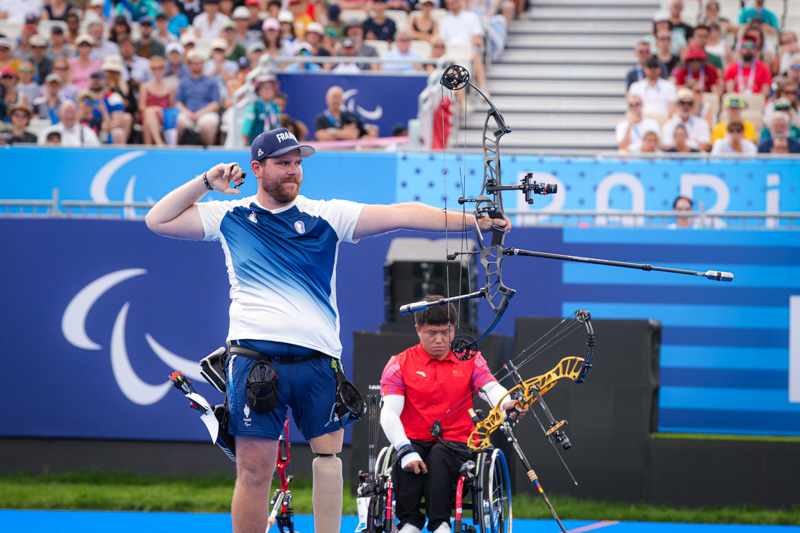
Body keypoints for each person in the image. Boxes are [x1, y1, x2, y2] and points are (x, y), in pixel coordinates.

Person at [143, 126, 511, 533]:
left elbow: (403, 212)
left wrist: (474, 223)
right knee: (253, 470)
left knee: (328, 458)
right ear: (257, 168)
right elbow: (157, 219)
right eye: (283, 163)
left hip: (318, 362)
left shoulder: (326, 215)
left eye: (298, 163)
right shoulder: (230, 216)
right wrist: (206, 183)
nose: (293, 171)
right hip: (254, 361)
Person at [379, 296, 526, 533]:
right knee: (403, 455)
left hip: (456, 444)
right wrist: (405, 450)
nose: (439, 339)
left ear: (454, 329)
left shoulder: (471, 359)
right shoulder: (399, 363)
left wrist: (506, 403)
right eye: (431, 333)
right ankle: (409, 524)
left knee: (439, 455)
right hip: (414, 440)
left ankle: (441, 524)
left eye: (445, 332)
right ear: (418, 330)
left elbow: (491, 388)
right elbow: (389, 413)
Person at [175, 49, 221, 145]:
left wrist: (200, 113)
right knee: (179, 121)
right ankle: (177, 150)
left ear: (203, 64)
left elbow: (216, 103)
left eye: (198, 62)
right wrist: (187, 113)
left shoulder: (211, 82)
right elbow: (178, 102)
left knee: (207, 124)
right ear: (189, 65)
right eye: (193, 63)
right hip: (188, 113)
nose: (196, 65)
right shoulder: (183, 82)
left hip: (205, 113)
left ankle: (208, 151)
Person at [313, 85, 378, 141]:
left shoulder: (351, 116)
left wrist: (331, 132)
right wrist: (344, 133)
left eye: (338, 97)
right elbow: (321, 137)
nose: (336, 100)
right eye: (333, 97)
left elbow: (353, 135)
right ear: (327, 99)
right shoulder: (320, 118)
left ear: (343, 100)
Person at [139, 55, 176, 145]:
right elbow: (141, 106)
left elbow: (171, 107)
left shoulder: (170, 88)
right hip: (148, 114)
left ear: (164, 69)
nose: (157, 70)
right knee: (149, 114)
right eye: (154, 68)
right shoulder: (144, 86)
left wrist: (161, 111)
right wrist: (154, 109)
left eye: (160, 67)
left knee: (147, 120)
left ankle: (149, 147)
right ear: (151, 70)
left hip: (163, 117)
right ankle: (159, 143)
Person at [661, 88, 711, 152]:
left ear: (693, 106)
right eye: (683, 103)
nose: (686, 106)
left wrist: (684, 148)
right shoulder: (668, 125)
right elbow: (667, 147)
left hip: (695, 159)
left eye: (689, 103)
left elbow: (704, 146)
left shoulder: (702, 123)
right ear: (678, 105)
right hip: (675, 159)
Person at [241, 74, 281, 145]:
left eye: (271, 87)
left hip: (271, 147)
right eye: (265, 87)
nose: (268, 90)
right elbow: (245, 132)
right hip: (256, 147)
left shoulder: (274, 107)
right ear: (258, 90)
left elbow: (277, 126)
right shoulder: (254, 106)